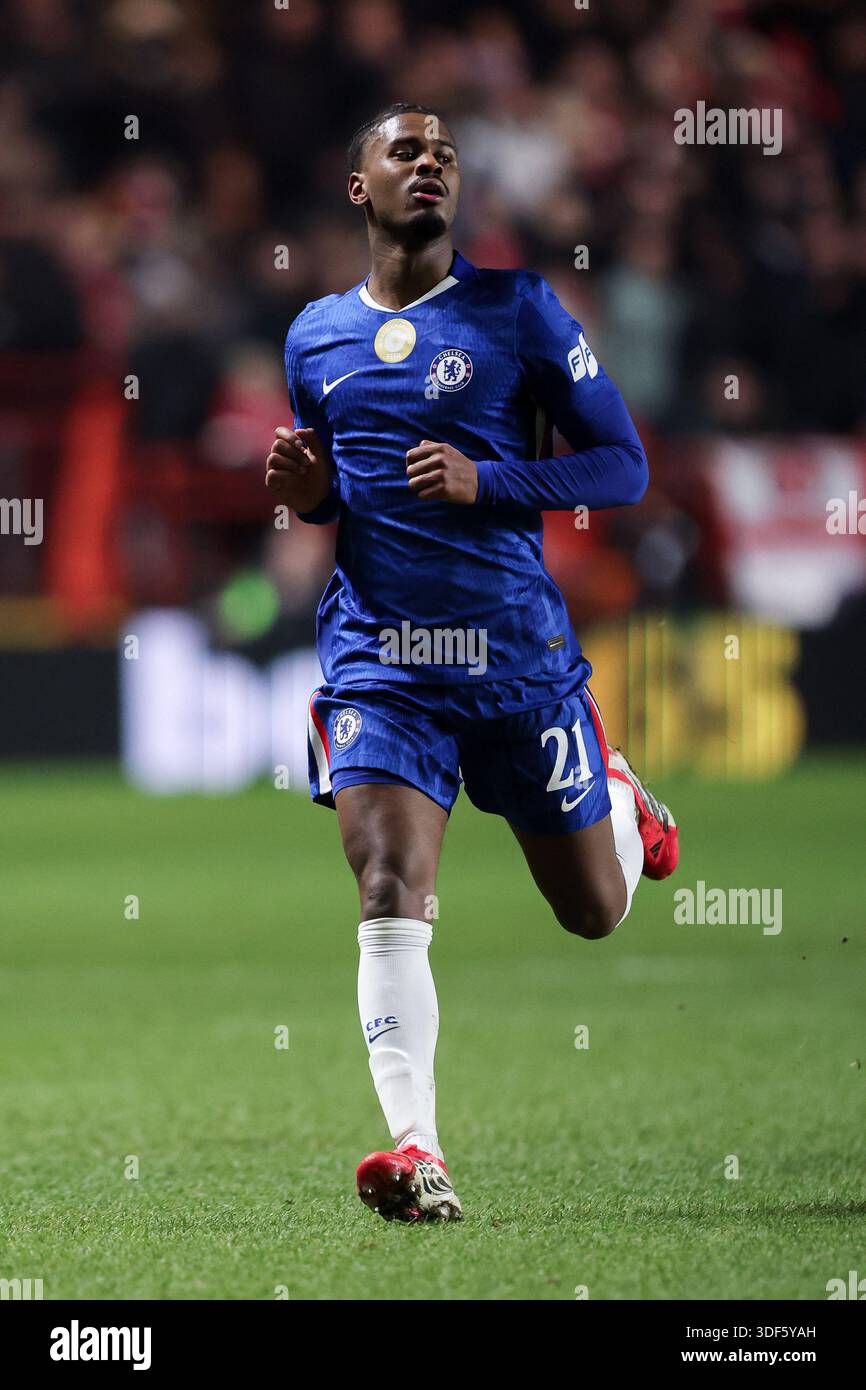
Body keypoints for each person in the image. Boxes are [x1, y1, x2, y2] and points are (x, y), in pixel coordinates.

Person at [265, 102, 679, 1223]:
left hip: (513, 660)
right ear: (360, 187)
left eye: (444, 153)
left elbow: (622, 467)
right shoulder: (313, 338)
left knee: (591, 913)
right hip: (382, 665)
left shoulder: (518, 310)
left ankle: (621, 796)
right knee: (388, 886)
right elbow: (341, 497)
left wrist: (488, 482)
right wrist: (310, 499)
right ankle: (418, 1151)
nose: (430, 163)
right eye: (404, 150)